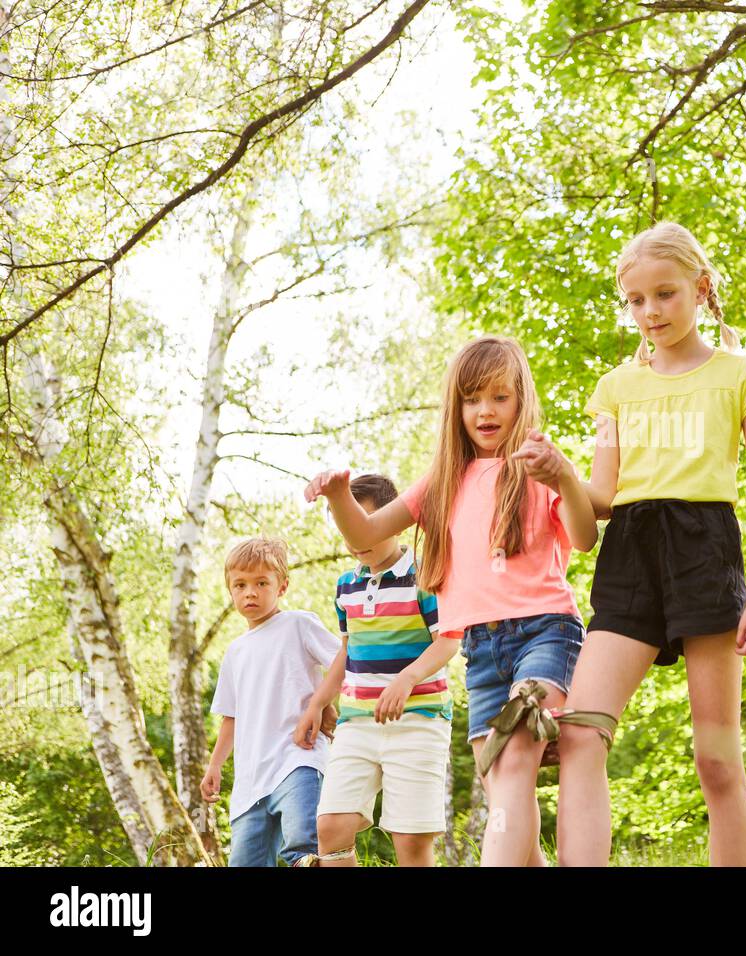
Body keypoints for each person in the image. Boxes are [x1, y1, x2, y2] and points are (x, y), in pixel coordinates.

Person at [304, 336, 599, 866]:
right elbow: (366, 533)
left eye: (499, 397)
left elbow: (583, 536)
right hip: (482, 652)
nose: (485, 410)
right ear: (455, 407)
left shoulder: (537, 466)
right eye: (471, 399)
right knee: (504, 784)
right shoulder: (444, 480)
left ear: (521, 399)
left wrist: (564, 477)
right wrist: (338, 496)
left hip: (545, 632)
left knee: (511, 764)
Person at [543, 220, 746, 867]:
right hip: (630, 557)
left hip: (705, 554)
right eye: (637, 300)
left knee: (716, 760)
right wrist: (557, 471)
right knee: (581, 735)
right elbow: (600, 495)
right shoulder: (617, 389)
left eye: (666, 294)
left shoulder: (742, 375)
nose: (650, 311)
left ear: (701, 290)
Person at [295, 473, 459, 867]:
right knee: (331, 826)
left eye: (364, 524)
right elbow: (347, 651)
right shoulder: (346, 586)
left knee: (411, 842)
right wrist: (318, 703)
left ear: (392, 520)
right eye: (345, 529)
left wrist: (407, 679)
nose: (356, 540)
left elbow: (449, 640)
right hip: (357, 724)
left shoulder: (424, 576)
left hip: (419, 721)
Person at [201, 536, 340, 867]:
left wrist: (320, 703)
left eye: (261, 582)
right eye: (240, 585)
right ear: (231, 590)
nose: (250, 592)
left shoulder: (298, 624)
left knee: (303, 849)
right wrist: (215, 765)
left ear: (282, 586)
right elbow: (230, 718)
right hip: (251, 780)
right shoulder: (235, 652)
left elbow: (344, 661)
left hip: (298, 759)